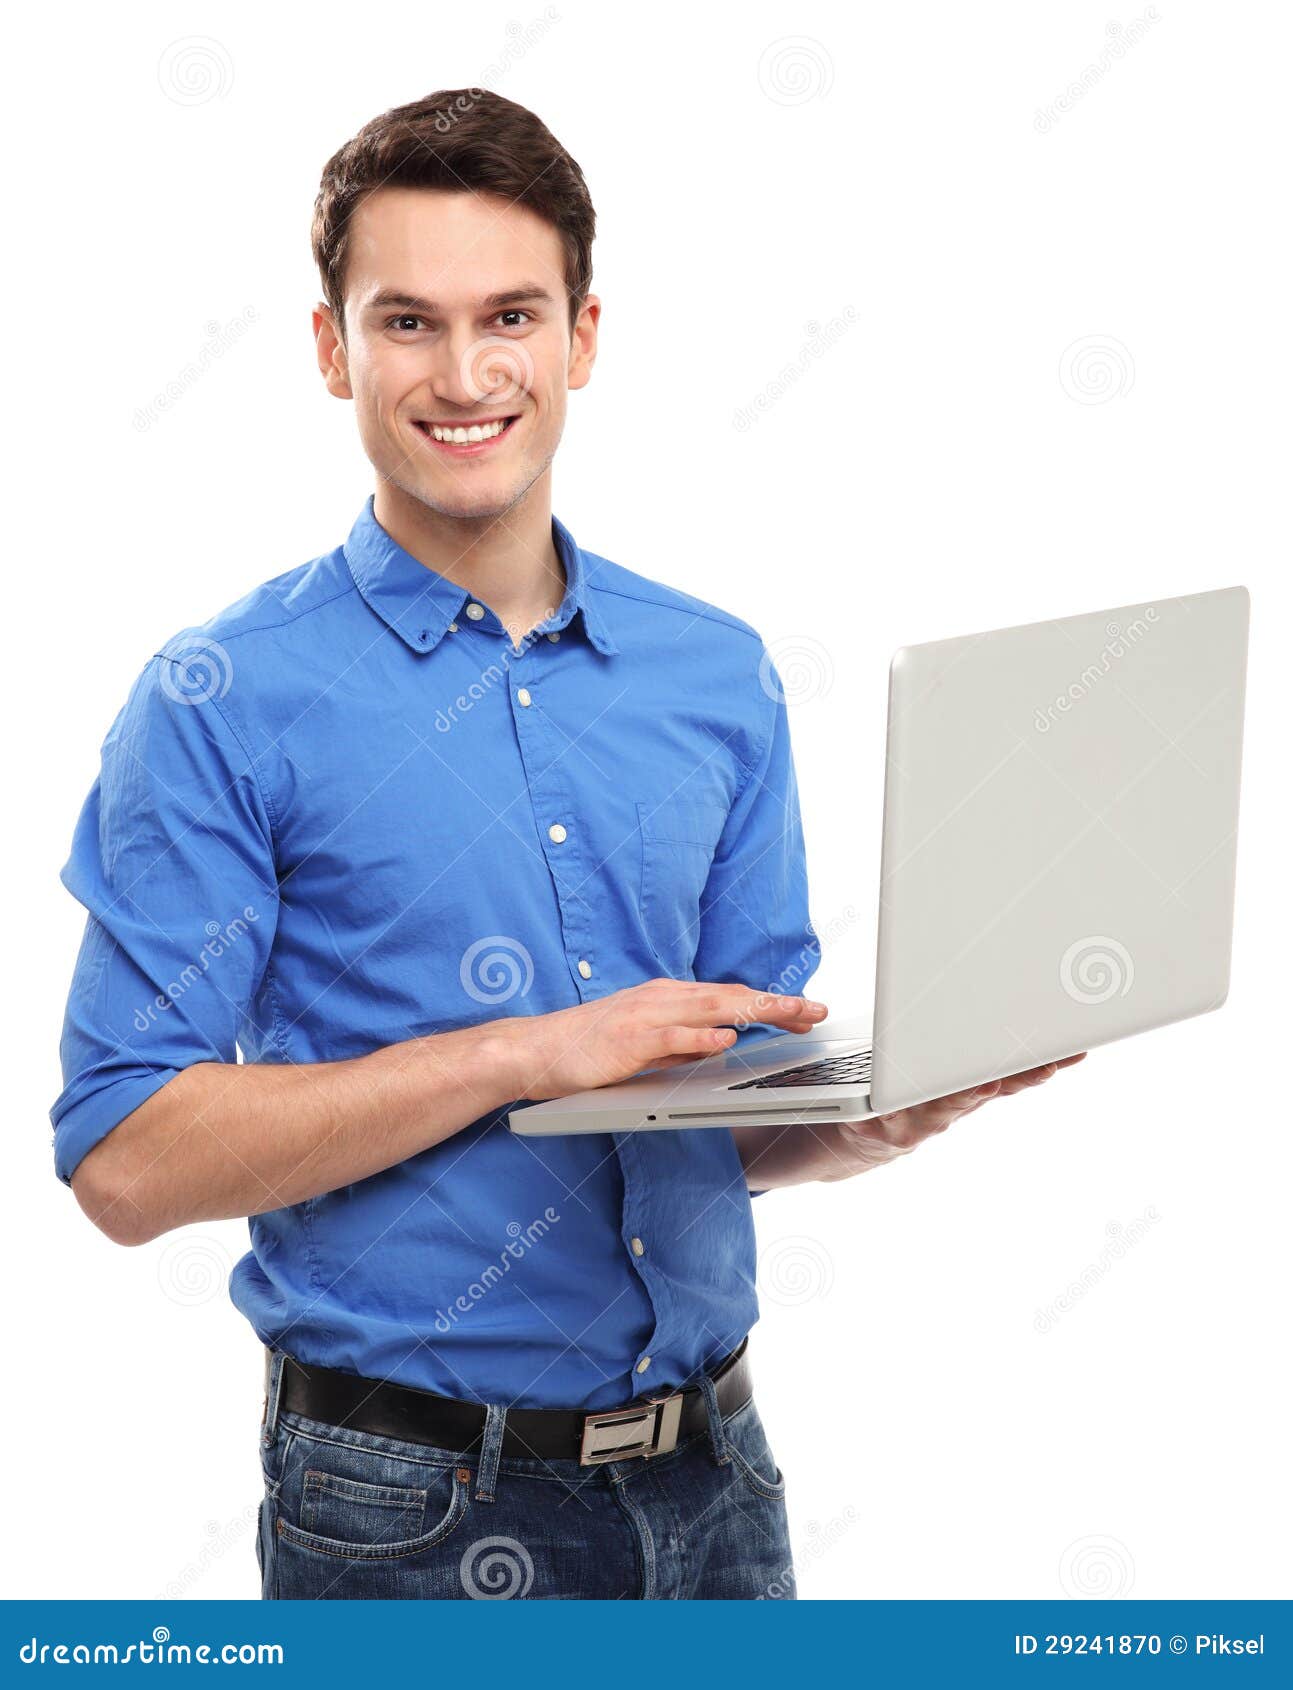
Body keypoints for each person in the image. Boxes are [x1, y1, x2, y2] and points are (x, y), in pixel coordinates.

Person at [51, 89, 1082, 1600]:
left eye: (510, 317)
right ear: (332, 348)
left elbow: (708, 1112)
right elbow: (127, 1164)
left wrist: (862, 1123)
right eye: (406, 322)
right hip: (404, 1506)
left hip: (718, 1478)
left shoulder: (716, 672)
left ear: (581, 337)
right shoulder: (221, 698)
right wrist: (517, 1053)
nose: (464, 375)